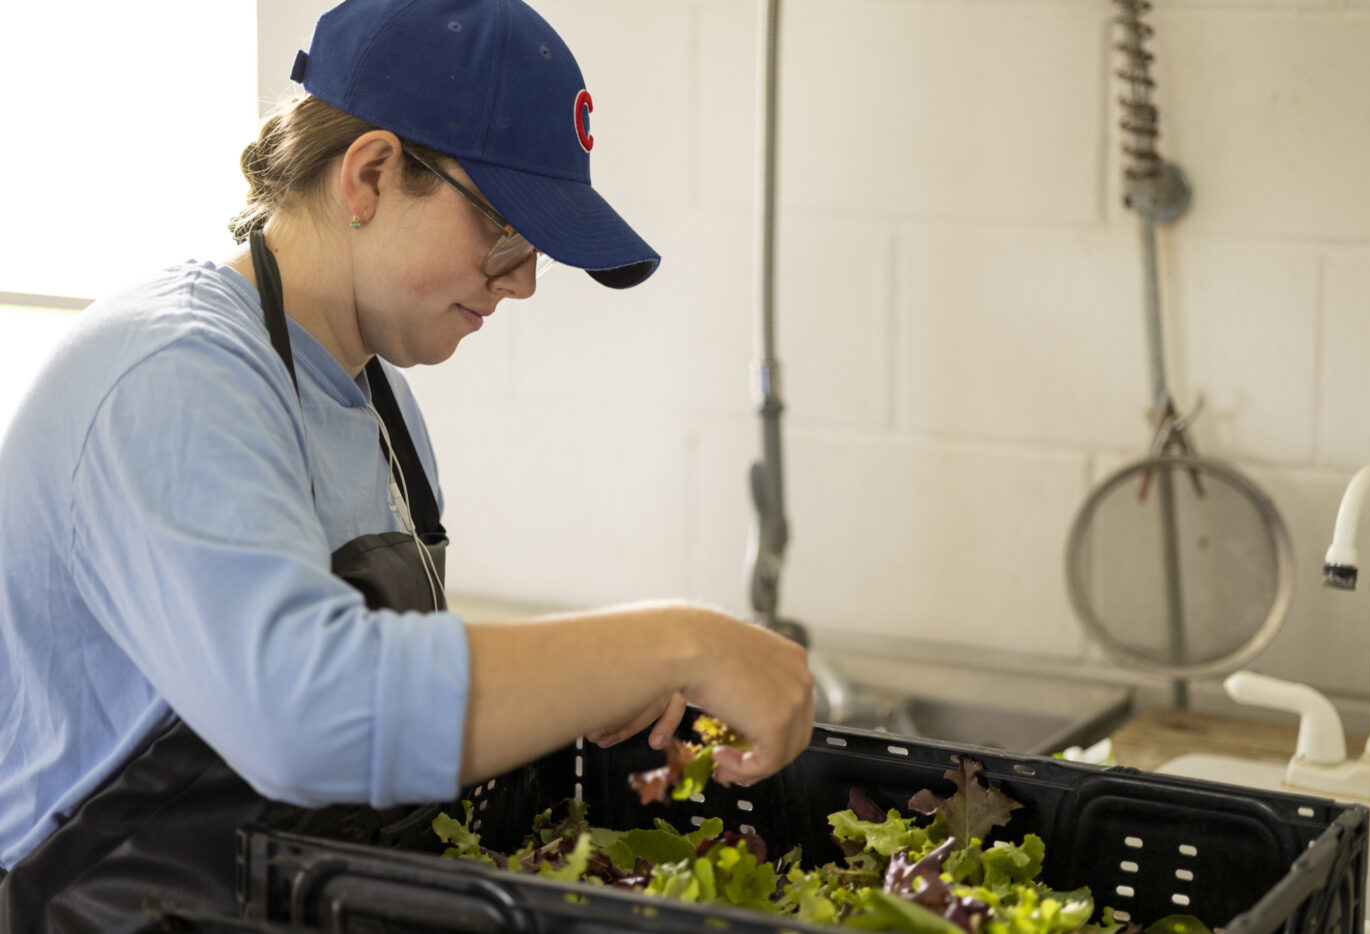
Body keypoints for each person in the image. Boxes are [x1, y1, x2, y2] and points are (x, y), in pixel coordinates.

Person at [0, 0, 815, 927]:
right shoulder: (174, 376)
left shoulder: (379, 403)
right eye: (507, 230)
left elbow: (384, 704)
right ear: (372, 173)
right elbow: (306, 715)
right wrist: (681, 640)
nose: (524, 281)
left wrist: (597, 683)